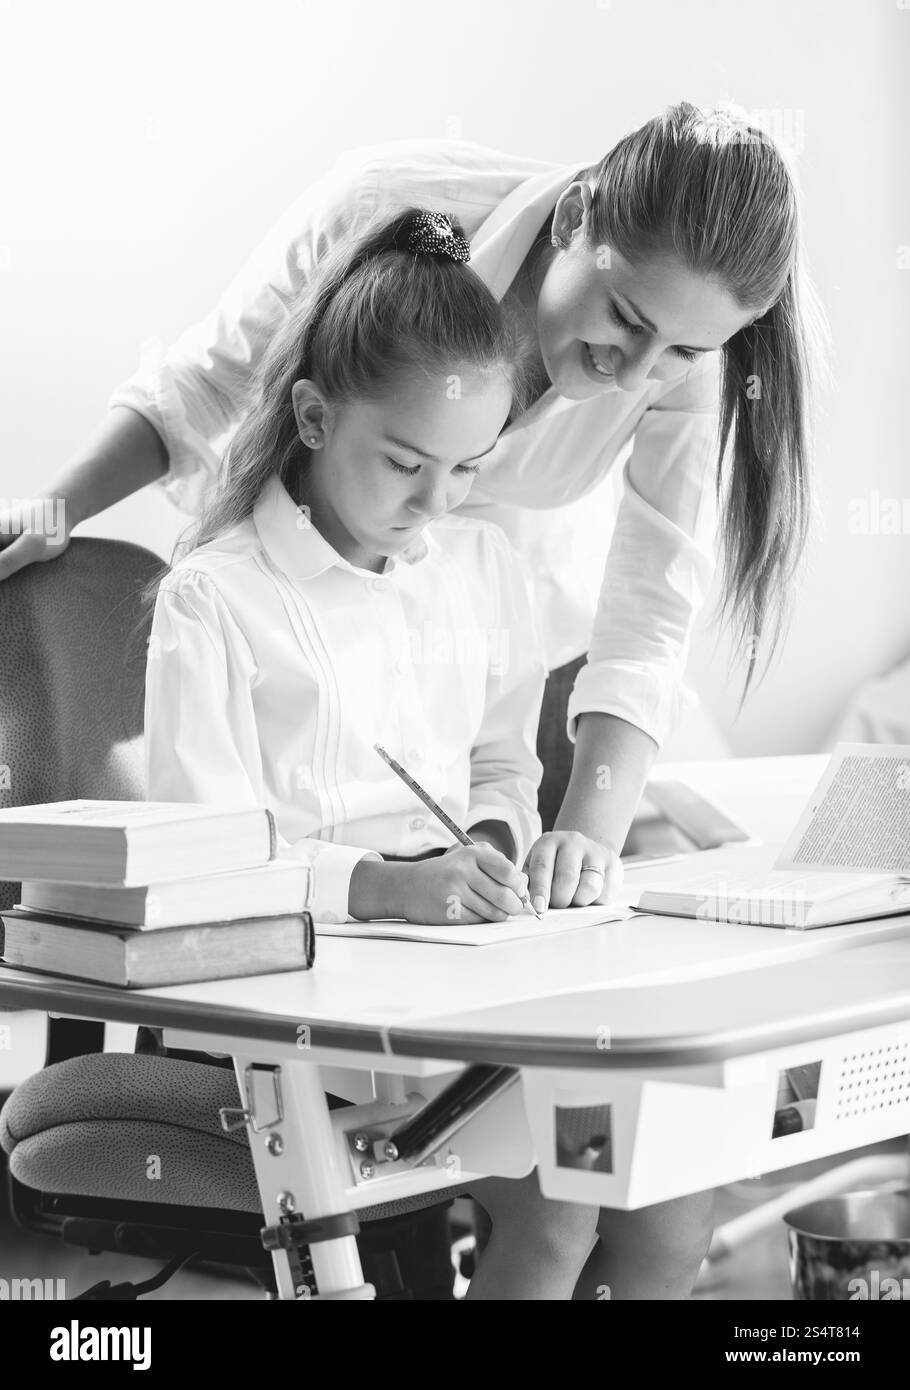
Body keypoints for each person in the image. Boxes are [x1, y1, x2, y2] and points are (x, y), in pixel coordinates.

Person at [8, 100, 827, 1296]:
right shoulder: (221, 601)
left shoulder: (470, 569)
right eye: (627, 323)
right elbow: (201, 385)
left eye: (686, 356)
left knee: (663, 1180)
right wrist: (58, 511)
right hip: (309, 1012)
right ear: (579, 216)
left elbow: (630, 630)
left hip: (438, 980)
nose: (640, 378)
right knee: (561, 1202)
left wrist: (548, 843)